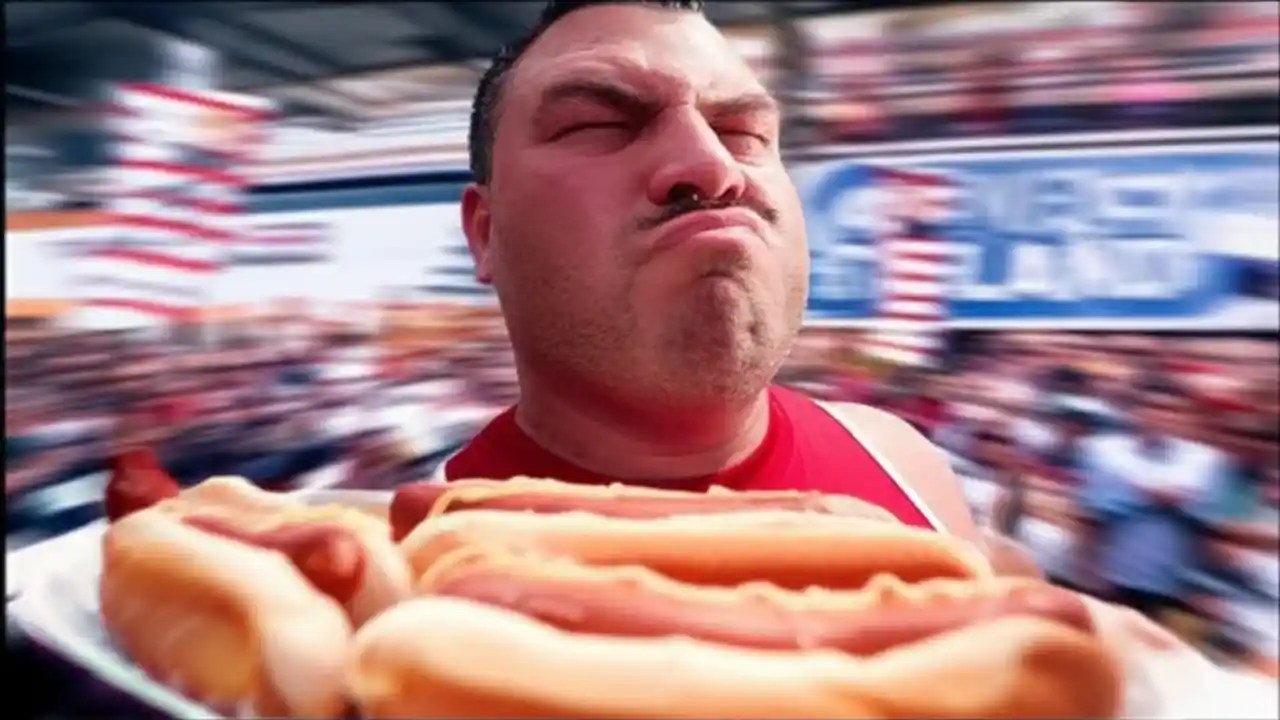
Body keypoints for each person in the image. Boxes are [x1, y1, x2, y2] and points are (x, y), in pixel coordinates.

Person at [437, 0, 1037, 573]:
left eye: (743, 131)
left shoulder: (903, 462)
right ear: (486, 233)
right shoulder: (398, 558)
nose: (712, 166)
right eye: (599, 124)